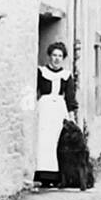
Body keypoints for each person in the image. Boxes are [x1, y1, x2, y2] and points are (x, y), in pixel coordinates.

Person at [33, 42, 78, 188]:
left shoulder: (66, 75)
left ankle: (58, 175)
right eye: (54, 55)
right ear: (49, 56)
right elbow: (34, 91)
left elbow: (70, 98)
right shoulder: (41, 72)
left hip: (59, 110)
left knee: (57, 141)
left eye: (60, 56)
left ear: (63, 58)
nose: (56, 59)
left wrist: (71, 117)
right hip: (44, 108)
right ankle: (43, 175)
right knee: (43, 140)